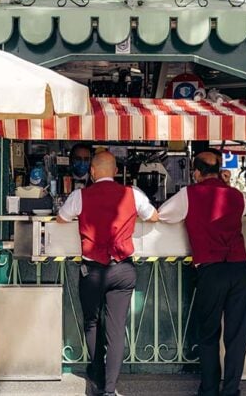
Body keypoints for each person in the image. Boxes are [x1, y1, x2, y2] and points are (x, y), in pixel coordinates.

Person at [57, 151, 159, 396]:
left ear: (92, 172)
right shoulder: (132, 194)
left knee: (92, 322)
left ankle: (97, 376)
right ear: (115, 172)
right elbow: (154, 217)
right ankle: (109, 390)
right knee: (116, 329)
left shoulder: (80, 196)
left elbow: (61, 219)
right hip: (123, 269)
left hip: (92, 271)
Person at [159, 151, 246, 396]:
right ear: (219, 170)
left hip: (211, 270)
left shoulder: (188, 194)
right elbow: (241, 215)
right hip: (240, 268)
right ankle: (231, 390)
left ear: (196, 172)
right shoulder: (236, 195)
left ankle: (209, 389)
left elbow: (163, 214)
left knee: (209, 333)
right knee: (237, 334)